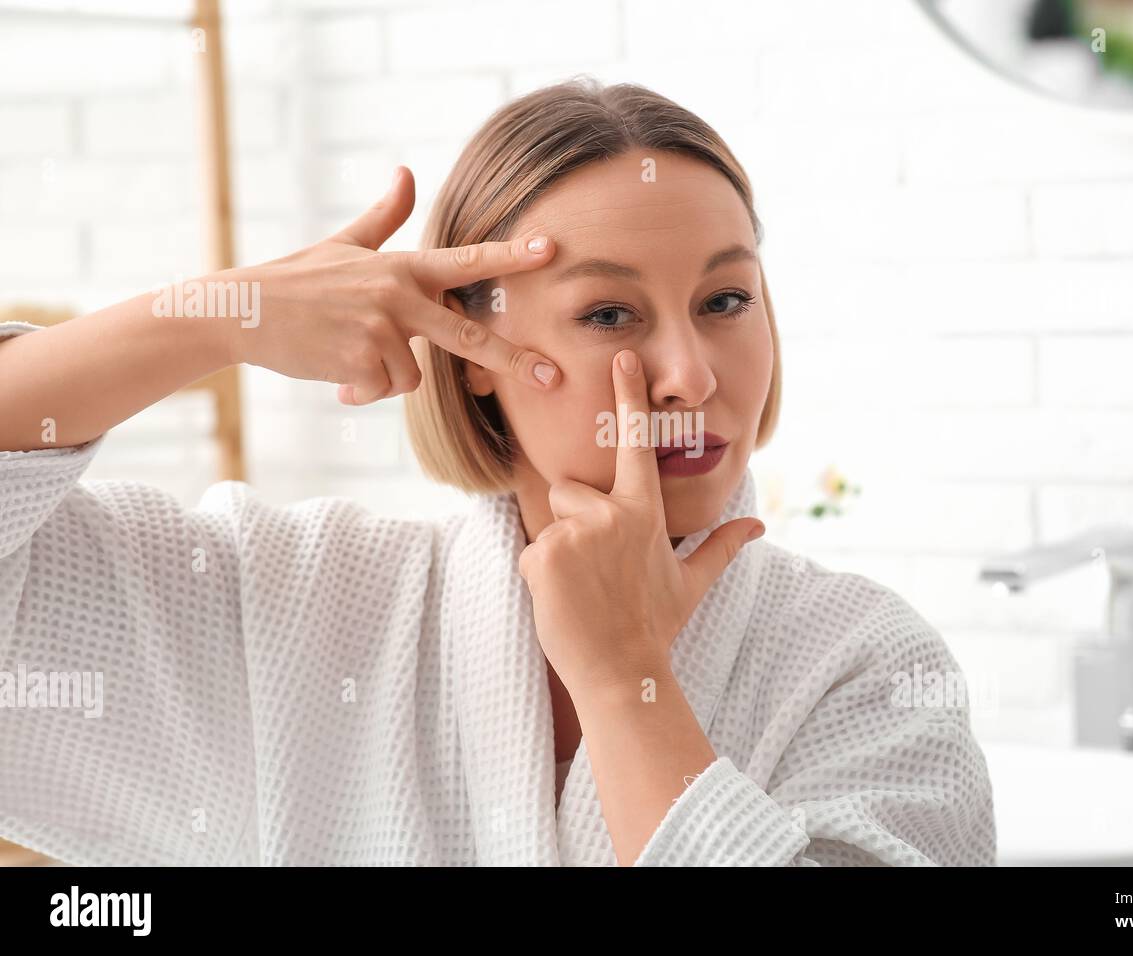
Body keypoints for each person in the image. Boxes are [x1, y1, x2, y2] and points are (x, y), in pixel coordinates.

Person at [0, 78, 996, 866]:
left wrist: (624, 681)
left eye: (725, 299)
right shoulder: (293, 607)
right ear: (473, 361)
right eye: (609, 314)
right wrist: (214, 316)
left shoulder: (865, 666)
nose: (689, 373)